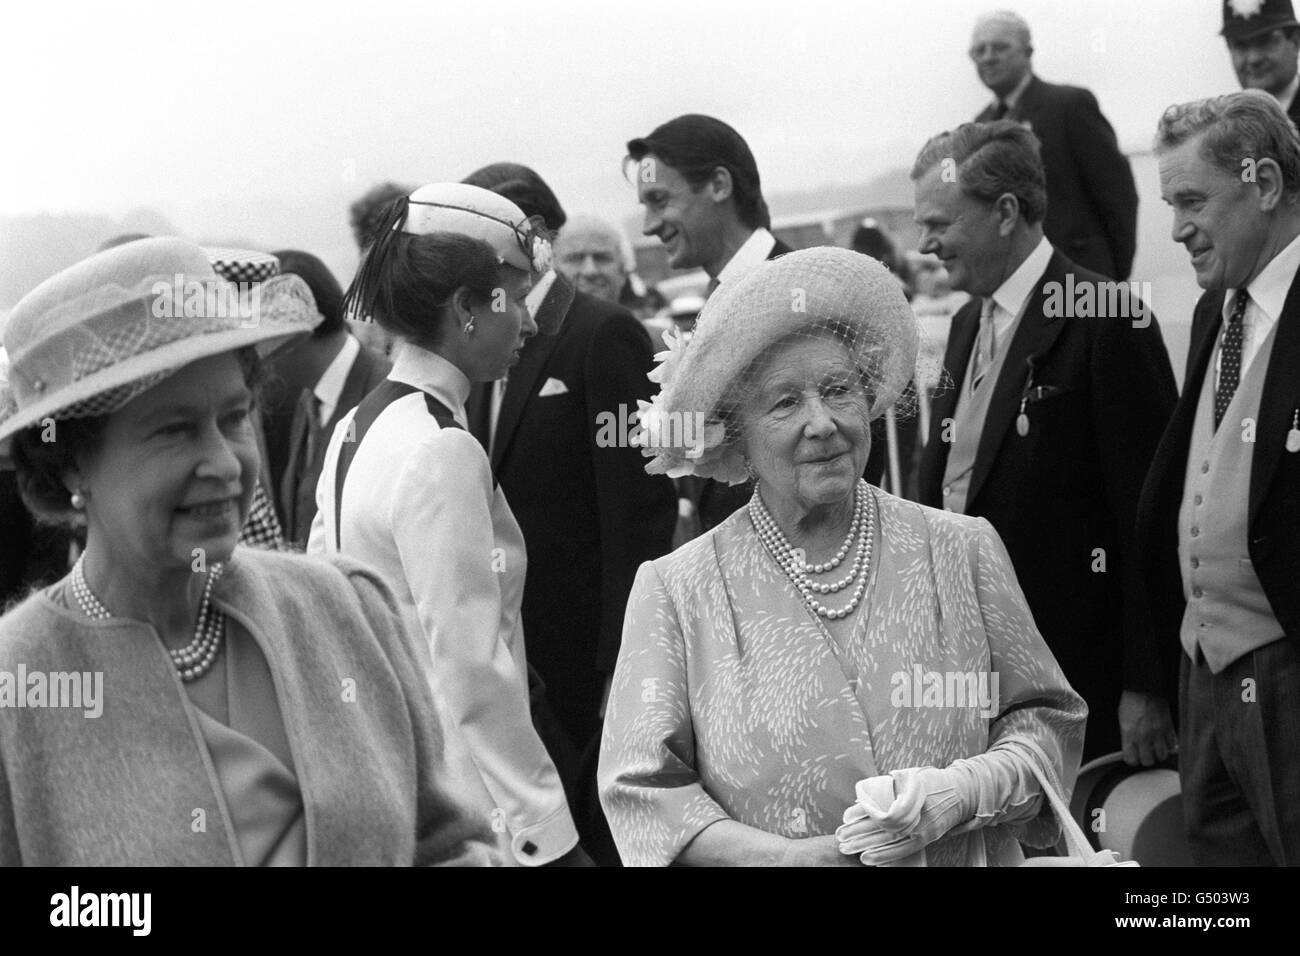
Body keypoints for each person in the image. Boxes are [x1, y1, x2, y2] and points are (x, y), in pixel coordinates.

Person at [0, 237, 495, 865]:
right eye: (173, 430)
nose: (222, 461)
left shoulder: (343, 609)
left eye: (234, 418)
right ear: (72, 465)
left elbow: (446, 843)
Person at [599, 246, 1086, 866]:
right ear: (734, 431)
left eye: (838, 390)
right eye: (784, 402)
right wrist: (788, 860)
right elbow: (642, 793)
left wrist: (962, 793)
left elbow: (1048, 723)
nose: (822, 422)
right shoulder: (677, 589)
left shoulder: (961, 548)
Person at [307, 183, 589, 867]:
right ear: (466, 307)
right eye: (514, 298)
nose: (527, 322)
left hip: (403, 781)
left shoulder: (355, 425)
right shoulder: (441, 446)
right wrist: (545, 834)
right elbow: (471, 663)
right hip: (473, 807)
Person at [912, 120, 1178, 764]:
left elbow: (1150, 514)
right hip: (982, 676)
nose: (925, 245)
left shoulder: (1108, 316)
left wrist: (1147, 684)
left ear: (1006, 212)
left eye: (940, 223)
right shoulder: (968, 321)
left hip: (1082, 672)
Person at [1138, 91, 1300, 866]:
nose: (1176, 229)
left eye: (1192, 200)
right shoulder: (1216, 311)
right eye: (1171, 204)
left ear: (1264, 184)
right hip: (1203, 672)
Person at [626, 113, 793, 535]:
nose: (648, 226)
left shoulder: (795, 290)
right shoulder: (720, 297)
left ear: (719, 185)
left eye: (660, 200)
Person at [969, 10, 1138, 280]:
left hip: (1079, 277)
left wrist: (1113, 277)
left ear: (1028, 52)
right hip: (1016, 281)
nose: (988, 57)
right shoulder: (981, 125)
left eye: (1000, 47)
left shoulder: (1069, 106)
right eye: (979, 50)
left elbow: (1118, 196)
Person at [263, 249, 391, 547]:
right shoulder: (308, 397)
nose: (255, 353)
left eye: (261, 333)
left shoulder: (386, 397)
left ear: (296, 329)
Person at [553, 214, 667, 321]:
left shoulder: (655, 340)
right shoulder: (539, 340)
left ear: (623, 271)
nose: (590, 271)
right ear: (554, 271)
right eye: (575, 258)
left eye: (601, 258)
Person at [1222, 0, 1300, 127]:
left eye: (1265, 41)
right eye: (1240, 45)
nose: (1254, 58)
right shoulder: (1225, 130)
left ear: (1295, 42)